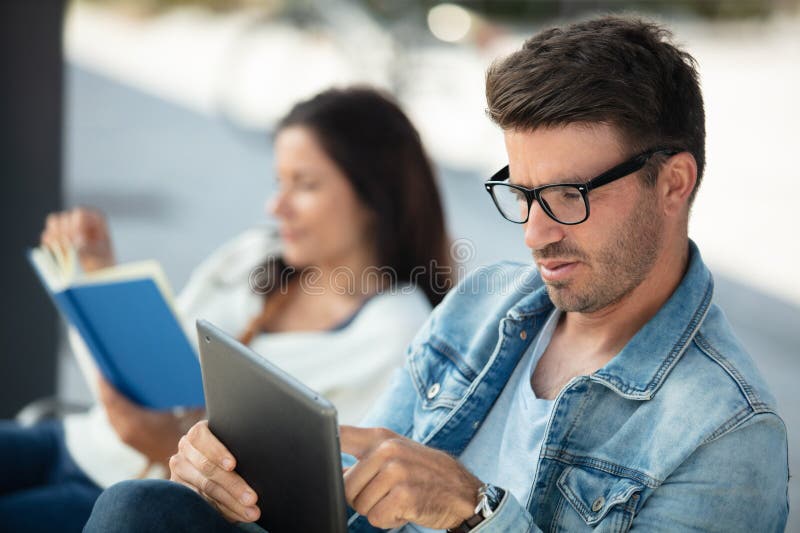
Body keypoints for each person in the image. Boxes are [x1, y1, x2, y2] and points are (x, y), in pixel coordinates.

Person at [84, 16, 789, 533]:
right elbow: (352, 489)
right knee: (146, 506)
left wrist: (473, 512)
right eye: (523, 194)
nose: (536, 233)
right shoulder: (486, 303)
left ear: (673, 183)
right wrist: (229, 473)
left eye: (568, 195)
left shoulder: (726, 434)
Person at [0, 87, 453, 532]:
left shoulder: (395, 334)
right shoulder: (255, 255)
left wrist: (164, 443)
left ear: (375, 196)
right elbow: (156, 357)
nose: (277, 206)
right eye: (279, 182)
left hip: (137, 493)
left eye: (306, 185)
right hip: (78, 441)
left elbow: (308, 496)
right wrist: (99, 276)